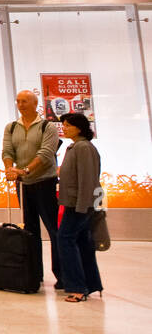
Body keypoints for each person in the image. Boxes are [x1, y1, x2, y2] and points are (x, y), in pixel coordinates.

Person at [1, 90, 61, 288]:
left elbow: (46, 154)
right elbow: (7, 151)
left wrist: (26, 170)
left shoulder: (47, 126)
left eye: (24, 101)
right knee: (30, 230)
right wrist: (10, 169)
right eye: (18, 101)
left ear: (35, 103)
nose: (20, 104)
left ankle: (62, 274)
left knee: (54, 229)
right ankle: (34, 272)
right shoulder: (11, 127)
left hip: (45, 182)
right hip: (24, 186)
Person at [56, 113, 103, 303]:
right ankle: (91, 284)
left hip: (79, 204)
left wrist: (82, 205)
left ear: (79, 127)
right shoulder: (74, 147)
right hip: (75, 203)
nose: (64, 128)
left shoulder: (83, 147)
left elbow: (87, 179)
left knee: (65, 239)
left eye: (68, 125)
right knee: (83, 243)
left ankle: (77, 287)